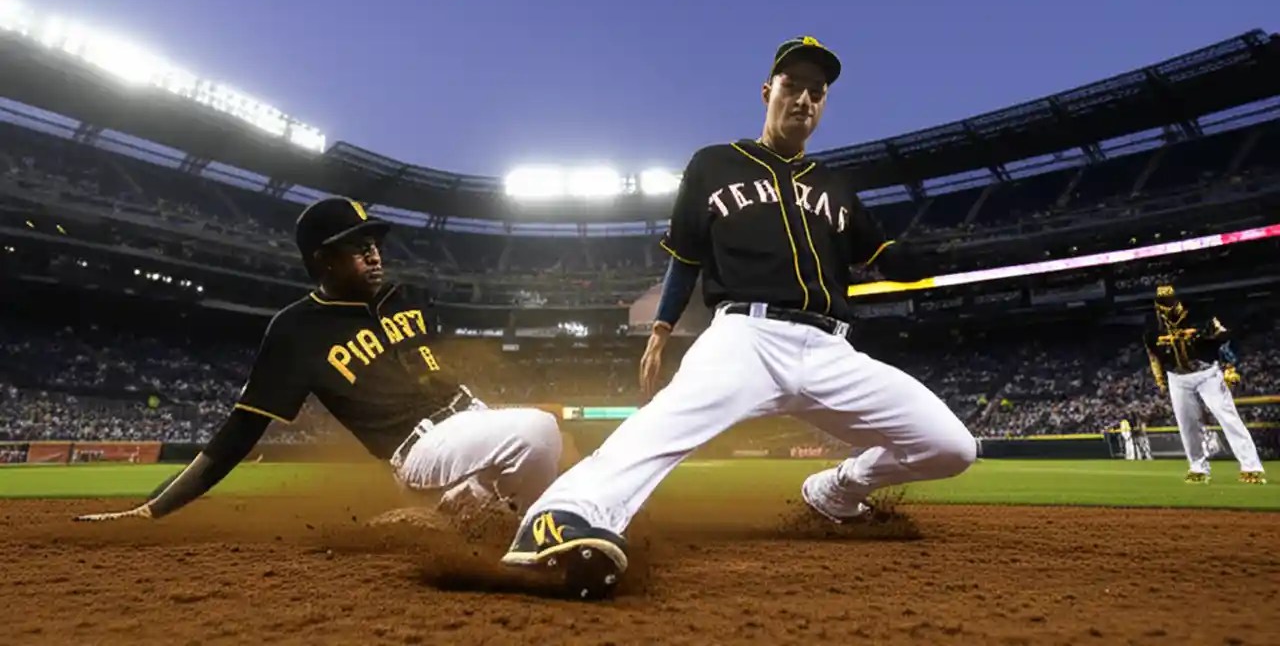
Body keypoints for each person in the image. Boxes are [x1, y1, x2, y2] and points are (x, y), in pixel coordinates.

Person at [501, 36, 977, 599]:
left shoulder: (835, 186)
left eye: (816, 92)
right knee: (664, 425)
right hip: (745, 337)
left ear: (824, 105)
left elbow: (880, 256)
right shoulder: (713, 164)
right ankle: (560, 514)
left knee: (952, 448)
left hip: (830, 350)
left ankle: (838, 491)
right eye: (792, 85)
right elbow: (685, 257)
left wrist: (941, 255)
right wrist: (660, 329)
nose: (804, 98)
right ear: (766, 91)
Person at [74, 197, 562, 524]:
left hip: (469, 424)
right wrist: (154, 509)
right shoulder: (296, 329)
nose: (374, 255)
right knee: (537, 431)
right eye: (358, 247)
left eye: (376, 245)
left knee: (561, 460)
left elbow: (436, 372)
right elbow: (236, 436)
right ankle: (491, 528)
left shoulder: (405, 298)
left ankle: (442, 516)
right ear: (323, 259)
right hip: (419, 448)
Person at [1143, 284, 1266, 485]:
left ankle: (1251, 466)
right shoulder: (1152, 325)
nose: (1166, 305)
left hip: (1206, 372)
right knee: (1187, 425)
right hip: (1177, 377)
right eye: (1162, 302)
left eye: (1169, 300)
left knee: (1227, 417)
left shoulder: (1198, 314)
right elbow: (1153, 354)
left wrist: (1229, 366)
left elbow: (1224, 339)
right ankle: (1198, 468)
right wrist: (1160, 379)